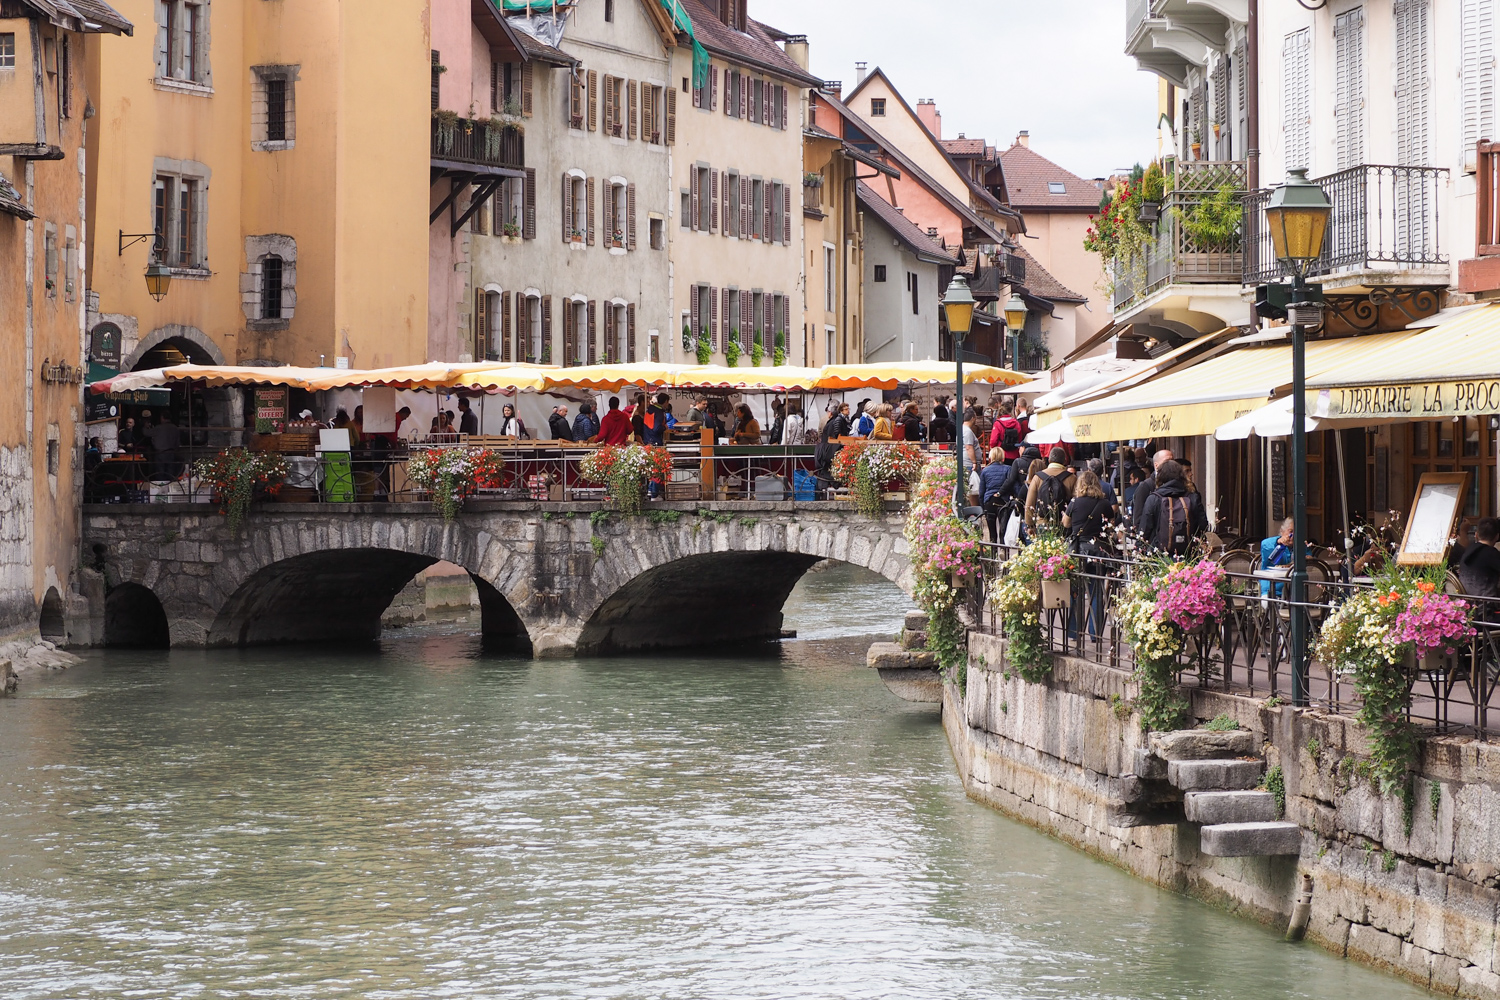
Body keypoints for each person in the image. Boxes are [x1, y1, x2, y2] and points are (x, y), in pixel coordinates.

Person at [1064, 470, 1113, 638]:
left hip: (1079, 552)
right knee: (1096, 591)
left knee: (1074, 591)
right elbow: (1110, 523)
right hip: (1099, 550)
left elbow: (1065, 523)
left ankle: (1073, 632)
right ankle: (1095, 633)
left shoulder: (1075, 502)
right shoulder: (1104, 503)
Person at [1139, 459, 1207, 557]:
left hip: (1160, 557)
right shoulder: (1192, 497)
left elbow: (1144, 530)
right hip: (1188, 556)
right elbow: (1203, 525)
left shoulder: (1154, 499)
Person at [1025, 446, 1076, 529]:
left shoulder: (1037, 477)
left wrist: (1030, 525)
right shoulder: (1072, 478)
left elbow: (1029, 504)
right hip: (1062, 524)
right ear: (1065, 461)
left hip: (1042, 523)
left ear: (1049, 460)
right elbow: (1076, 503)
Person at [1131, 448, 1175, 533]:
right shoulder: (1145, 487)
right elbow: (1138, 519)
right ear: (1156, 465)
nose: (1171, 465)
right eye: (1167, 461)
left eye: (1172, 461)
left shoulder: (1180, 485)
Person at [1458, 518, 1500, 600]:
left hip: (1467, 605)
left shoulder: (1468, 550)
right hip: (1486, 607)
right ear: (1497, 536)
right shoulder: (1492, 554)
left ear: (1476, 535)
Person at [979, 448, 1012, 543]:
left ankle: (993, 554)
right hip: (1003, 501)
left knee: (992, 533)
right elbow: (1009, 485)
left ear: (991, 456)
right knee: (1003, 530)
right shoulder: (1008, 469)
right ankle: (1003, 551)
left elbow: (981, 491)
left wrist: (983, 506)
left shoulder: (985, 471)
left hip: (989, 501)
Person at [816, 403, 851, 484]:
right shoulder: (838, 420)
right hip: (831, 449)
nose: (848, 411)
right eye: (846, 409)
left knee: (827, 474)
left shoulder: (834, 421)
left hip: (829, 449)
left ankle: (827, 488)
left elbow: (834, 434)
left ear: (830, 413)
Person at [989, 398, 1029, 462]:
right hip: (1014, 454)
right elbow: (1019, 438)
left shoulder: (997, 424)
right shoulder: (1016, 423)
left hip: (1001, 455)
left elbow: (993, 441)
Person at [148, 412, 181, 480]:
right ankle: (169, 488)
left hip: (160, 453)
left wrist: (145, 426)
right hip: (171, 453)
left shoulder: (158, 428)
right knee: (170, 473)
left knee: (160, 473)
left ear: (162, 418)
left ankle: (161, 488)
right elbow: (177, 442)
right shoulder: (175, 428)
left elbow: (146, 433)